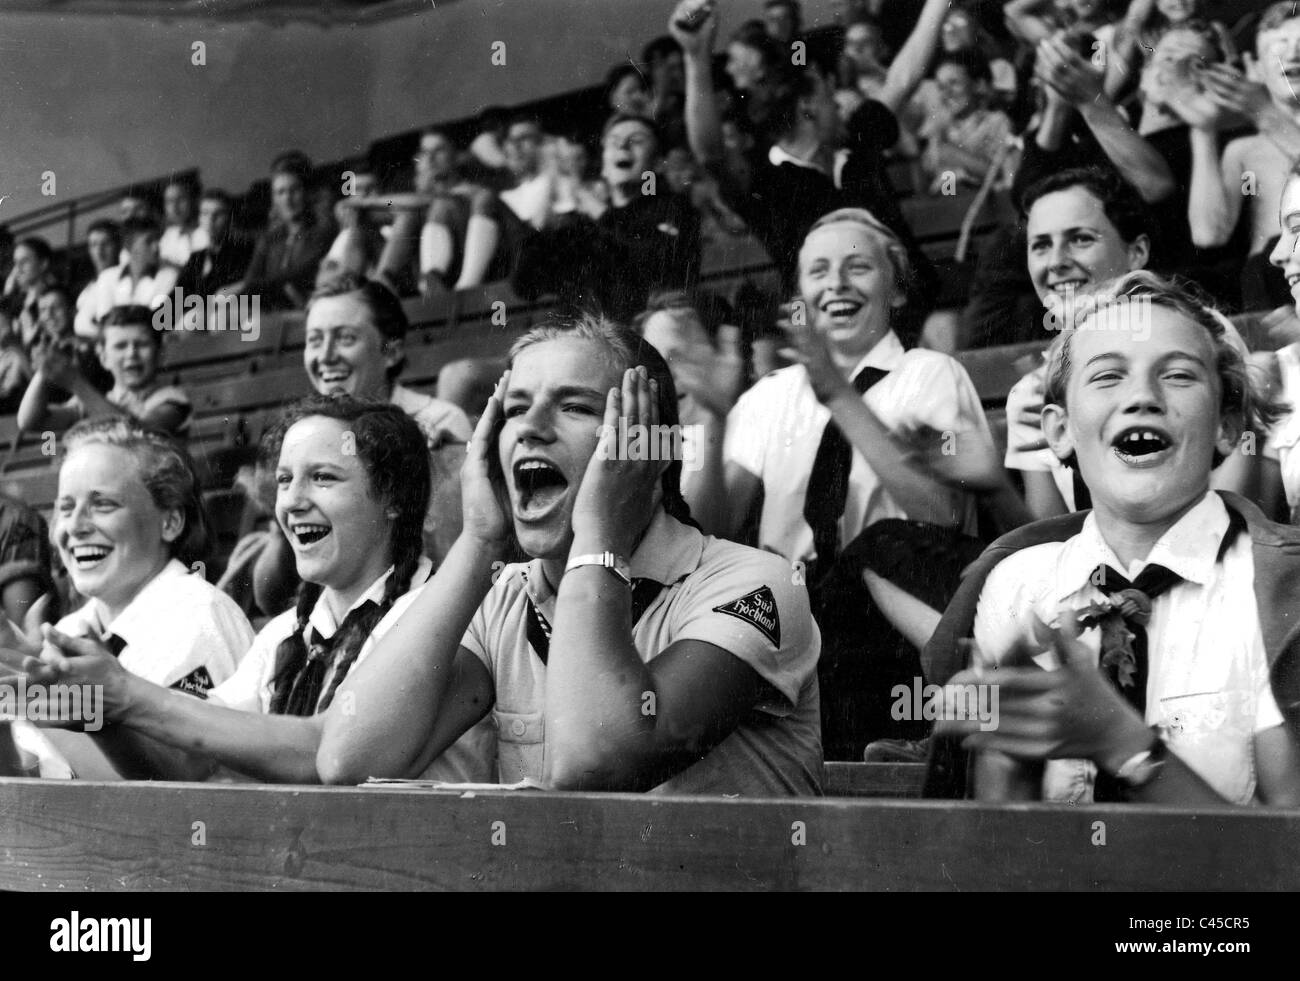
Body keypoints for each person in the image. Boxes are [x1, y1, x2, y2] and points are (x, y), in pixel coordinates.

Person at [316, 315, 823, 795]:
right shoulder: (503, 598)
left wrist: (599, 539)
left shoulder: (758, 584)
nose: (531, 427)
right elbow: (350, 758)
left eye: (575, 406)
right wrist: (478, 542)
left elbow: (594, 761)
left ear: (650, 449)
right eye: (514, 409)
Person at [931, 271, 1300, 806]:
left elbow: (1288, 863)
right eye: (1107, 377)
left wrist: (1124, 745)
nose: (1142, 397)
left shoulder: (1279, 590)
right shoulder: (1014, 585)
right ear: (1058, 431)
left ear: (1226, 423)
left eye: (1177, 375)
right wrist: (1011, 764)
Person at [25, 398, 495, 784]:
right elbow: (189, 767)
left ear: (392, 497)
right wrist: (102, 712)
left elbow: (323, 754)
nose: (291, 501)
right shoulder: (282, 635)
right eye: (286, 480)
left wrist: (126, 693)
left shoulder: (436, 614)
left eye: (323, 477)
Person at [687, 208, 1008, 759]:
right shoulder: (770, 394)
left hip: (893, 622)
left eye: (857, 267)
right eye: (818, 271)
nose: (836, 282)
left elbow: (941, 514)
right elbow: (708, 527)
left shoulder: (929, 373)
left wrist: (838, 393)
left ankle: (971, 713)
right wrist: (715, 418)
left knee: (873, 548)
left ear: (897, 293)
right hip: (797, 616)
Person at [0, 417, 253, 780]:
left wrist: (42, 710)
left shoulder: (200, 615)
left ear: (170, 522)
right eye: (66, 507)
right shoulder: (69, 629)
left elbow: (176, 785)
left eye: (103, 504)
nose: (75, 526)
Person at [247, 274, 471, 616]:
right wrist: (281, 523)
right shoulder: (302, 439)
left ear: (391, 350)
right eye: (314, 340)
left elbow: (449, 560)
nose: (326, 356)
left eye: (346, 338)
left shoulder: (439, 423)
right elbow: (269, 598)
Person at [18, 305, 191, 437]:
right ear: (103, 357)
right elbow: (30, 421)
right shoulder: (92, 402)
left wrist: (75, 383)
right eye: (120, 346)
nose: (131, 353)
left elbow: (135, 433)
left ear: (160, 354)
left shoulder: (172, 399)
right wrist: (45, 370)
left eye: (142, 344)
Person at [222, 153, 334, 310]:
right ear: (274, 198)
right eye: (280, 192)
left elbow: (299, 275)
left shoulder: (323, 232)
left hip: (308, 310)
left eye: (294, 190)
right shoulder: (269, 238)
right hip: (270, 312)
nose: (287, 199)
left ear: (308, 193)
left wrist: (246, 287)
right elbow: (250, 281)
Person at [918, 49, 1014, 193]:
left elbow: (998, 172)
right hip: (957, 207)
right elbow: (946, 189)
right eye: (941, 87)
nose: (946, 93)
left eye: (954, 83)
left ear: (978, 85)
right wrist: (951, 178)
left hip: (993, 206)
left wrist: (952, 154)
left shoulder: (997, 122)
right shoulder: (942, 129)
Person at [87, 217, 178, 326]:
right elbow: (105, 320)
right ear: (129, 246)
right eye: (149, 241)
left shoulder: (169, 275)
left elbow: (154, 320)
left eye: (157, 240)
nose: (156, 247)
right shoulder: (107, 277)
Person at [176, 189, 254, 301]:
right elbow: (177, 295)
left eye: (219, 213)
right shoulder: (196, 257)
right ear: (199, 218)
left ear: (230, 218)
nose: (211, 219)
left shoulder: (244, 250)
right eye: (205, 213)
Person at [74, 220, 124, 340]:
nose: (99, 252)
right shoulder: (88, 287)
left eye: (106, 244)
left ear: (118, 246)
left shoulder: (122, 280)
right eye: (94, 245)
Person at [160, 174, 205, 268]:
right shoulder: (169, 235)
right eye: (169, 201)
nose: (174, 207)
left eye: (181, 199)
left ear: (194, 200)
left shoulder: (207, 230)